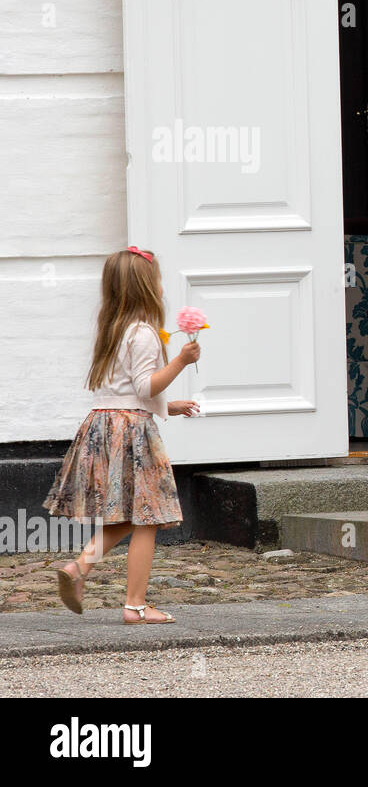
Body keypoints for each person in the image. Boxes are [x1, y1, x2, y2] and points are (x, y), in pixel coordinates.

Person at [45, 247, 202, 624]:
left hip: (102, 425)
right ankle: (135, 605)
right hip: (130, 431)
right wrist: (182, 360)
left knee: (129, 515)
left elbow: (126, 388)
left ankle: (79, 567)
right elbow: (146, 387)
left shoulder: (113, 330)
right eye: (158, 279)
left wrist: (169, 407)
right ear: (147, 286)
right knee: (146, 518)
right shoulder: (145, 333)